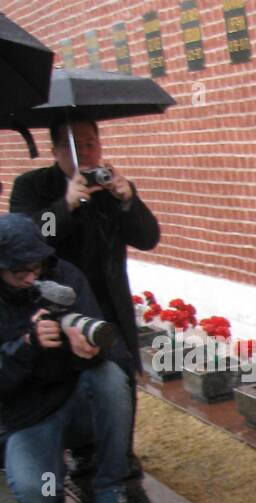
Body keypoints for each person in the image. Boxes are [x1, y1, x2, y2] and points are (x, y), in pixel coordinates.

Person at [8, 116, 160, 479]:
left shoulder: (110, 185)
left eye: (92, 143)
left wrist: (128, 201)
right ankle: (82, 447)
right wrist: (66, 204)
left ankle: (120, 451)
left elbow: (148, 238)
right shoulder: (32, 186)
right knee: (73, 372)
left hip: (109, 298)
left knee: (118, 371)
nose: (87, 152)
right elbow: (28, 242)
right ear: (56, 150)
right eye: (76, 145)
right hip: (59, 301)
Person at [0, 213, 134, 503]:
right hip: (29, 416)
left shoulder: (64, 275)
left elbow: (110, 347)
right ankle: (50, 470)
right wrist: (26, 345)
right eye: (20, 270)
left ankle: (110, 484)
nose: (31, 277)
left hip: (77, 401)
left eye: (36, 267)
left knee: (112, 377)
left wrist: (87, 348)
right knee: (41, 495)